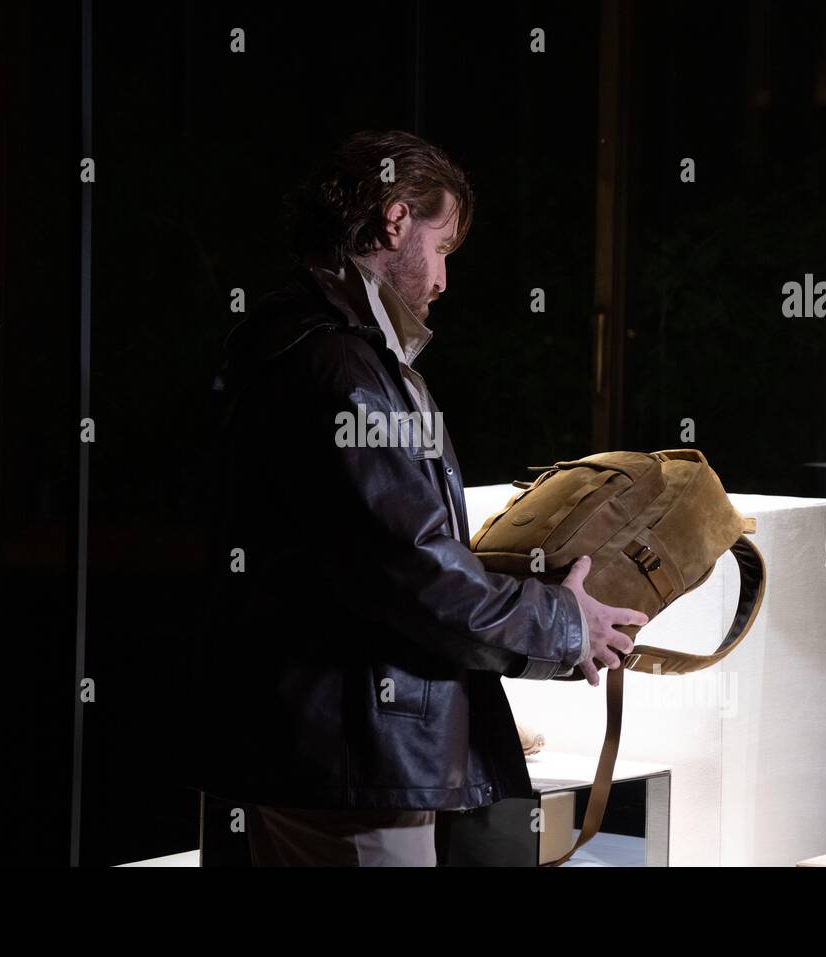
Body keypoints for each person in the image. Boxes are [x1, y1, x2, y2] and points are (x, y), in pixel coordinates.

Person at [192, 129, 647, 866]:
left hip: (287, 749)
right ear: (395, 219)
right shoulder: (345, 367)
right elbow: (416, 570)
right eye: (441, 248)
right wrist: (564, 623)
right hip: (354, 762)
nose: (442, 280)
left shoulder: (278, 345)